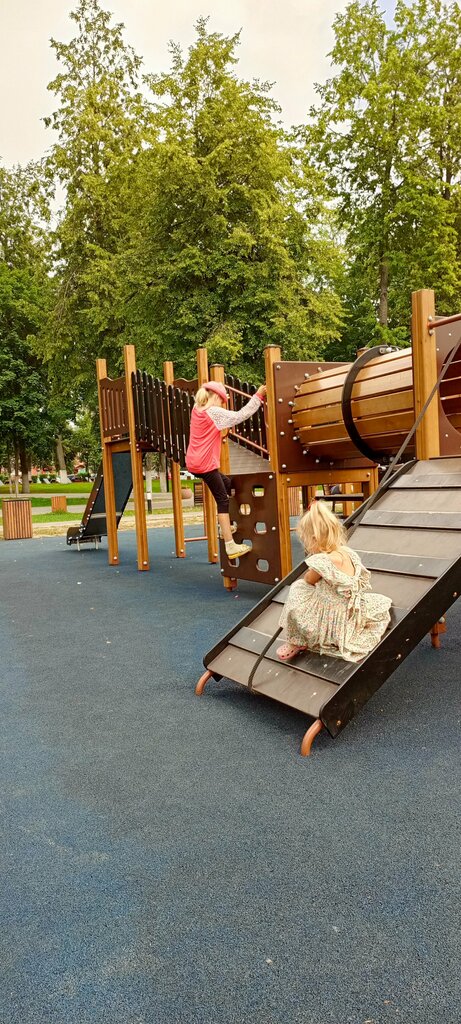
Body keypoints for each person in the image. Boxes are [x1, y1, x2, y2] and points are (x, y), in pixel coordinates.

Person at [277, 500, 392, 662]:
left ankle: (296, 640)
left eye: (306, 542)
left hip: (334, 619)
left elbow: (308, 580)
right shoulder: (348, 553)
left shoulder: (323, 561)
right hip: (351, 613)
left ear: (315, 539)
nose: (307, 547)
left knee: (298, 588)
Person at [186, 380, 267, 560]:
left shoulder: (196, 410)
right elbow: (241, 415)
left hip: (193, 462)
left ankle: (225, 527)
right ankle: (230, 545)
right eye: (223, 401)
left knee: (227, 484)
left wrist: (221, 394)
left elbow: (207, 396)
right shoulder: (213, 412)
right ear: (215, 397)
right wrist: (259, 396)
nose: (223, 405)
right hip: (205, 464)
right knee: (222, 500)